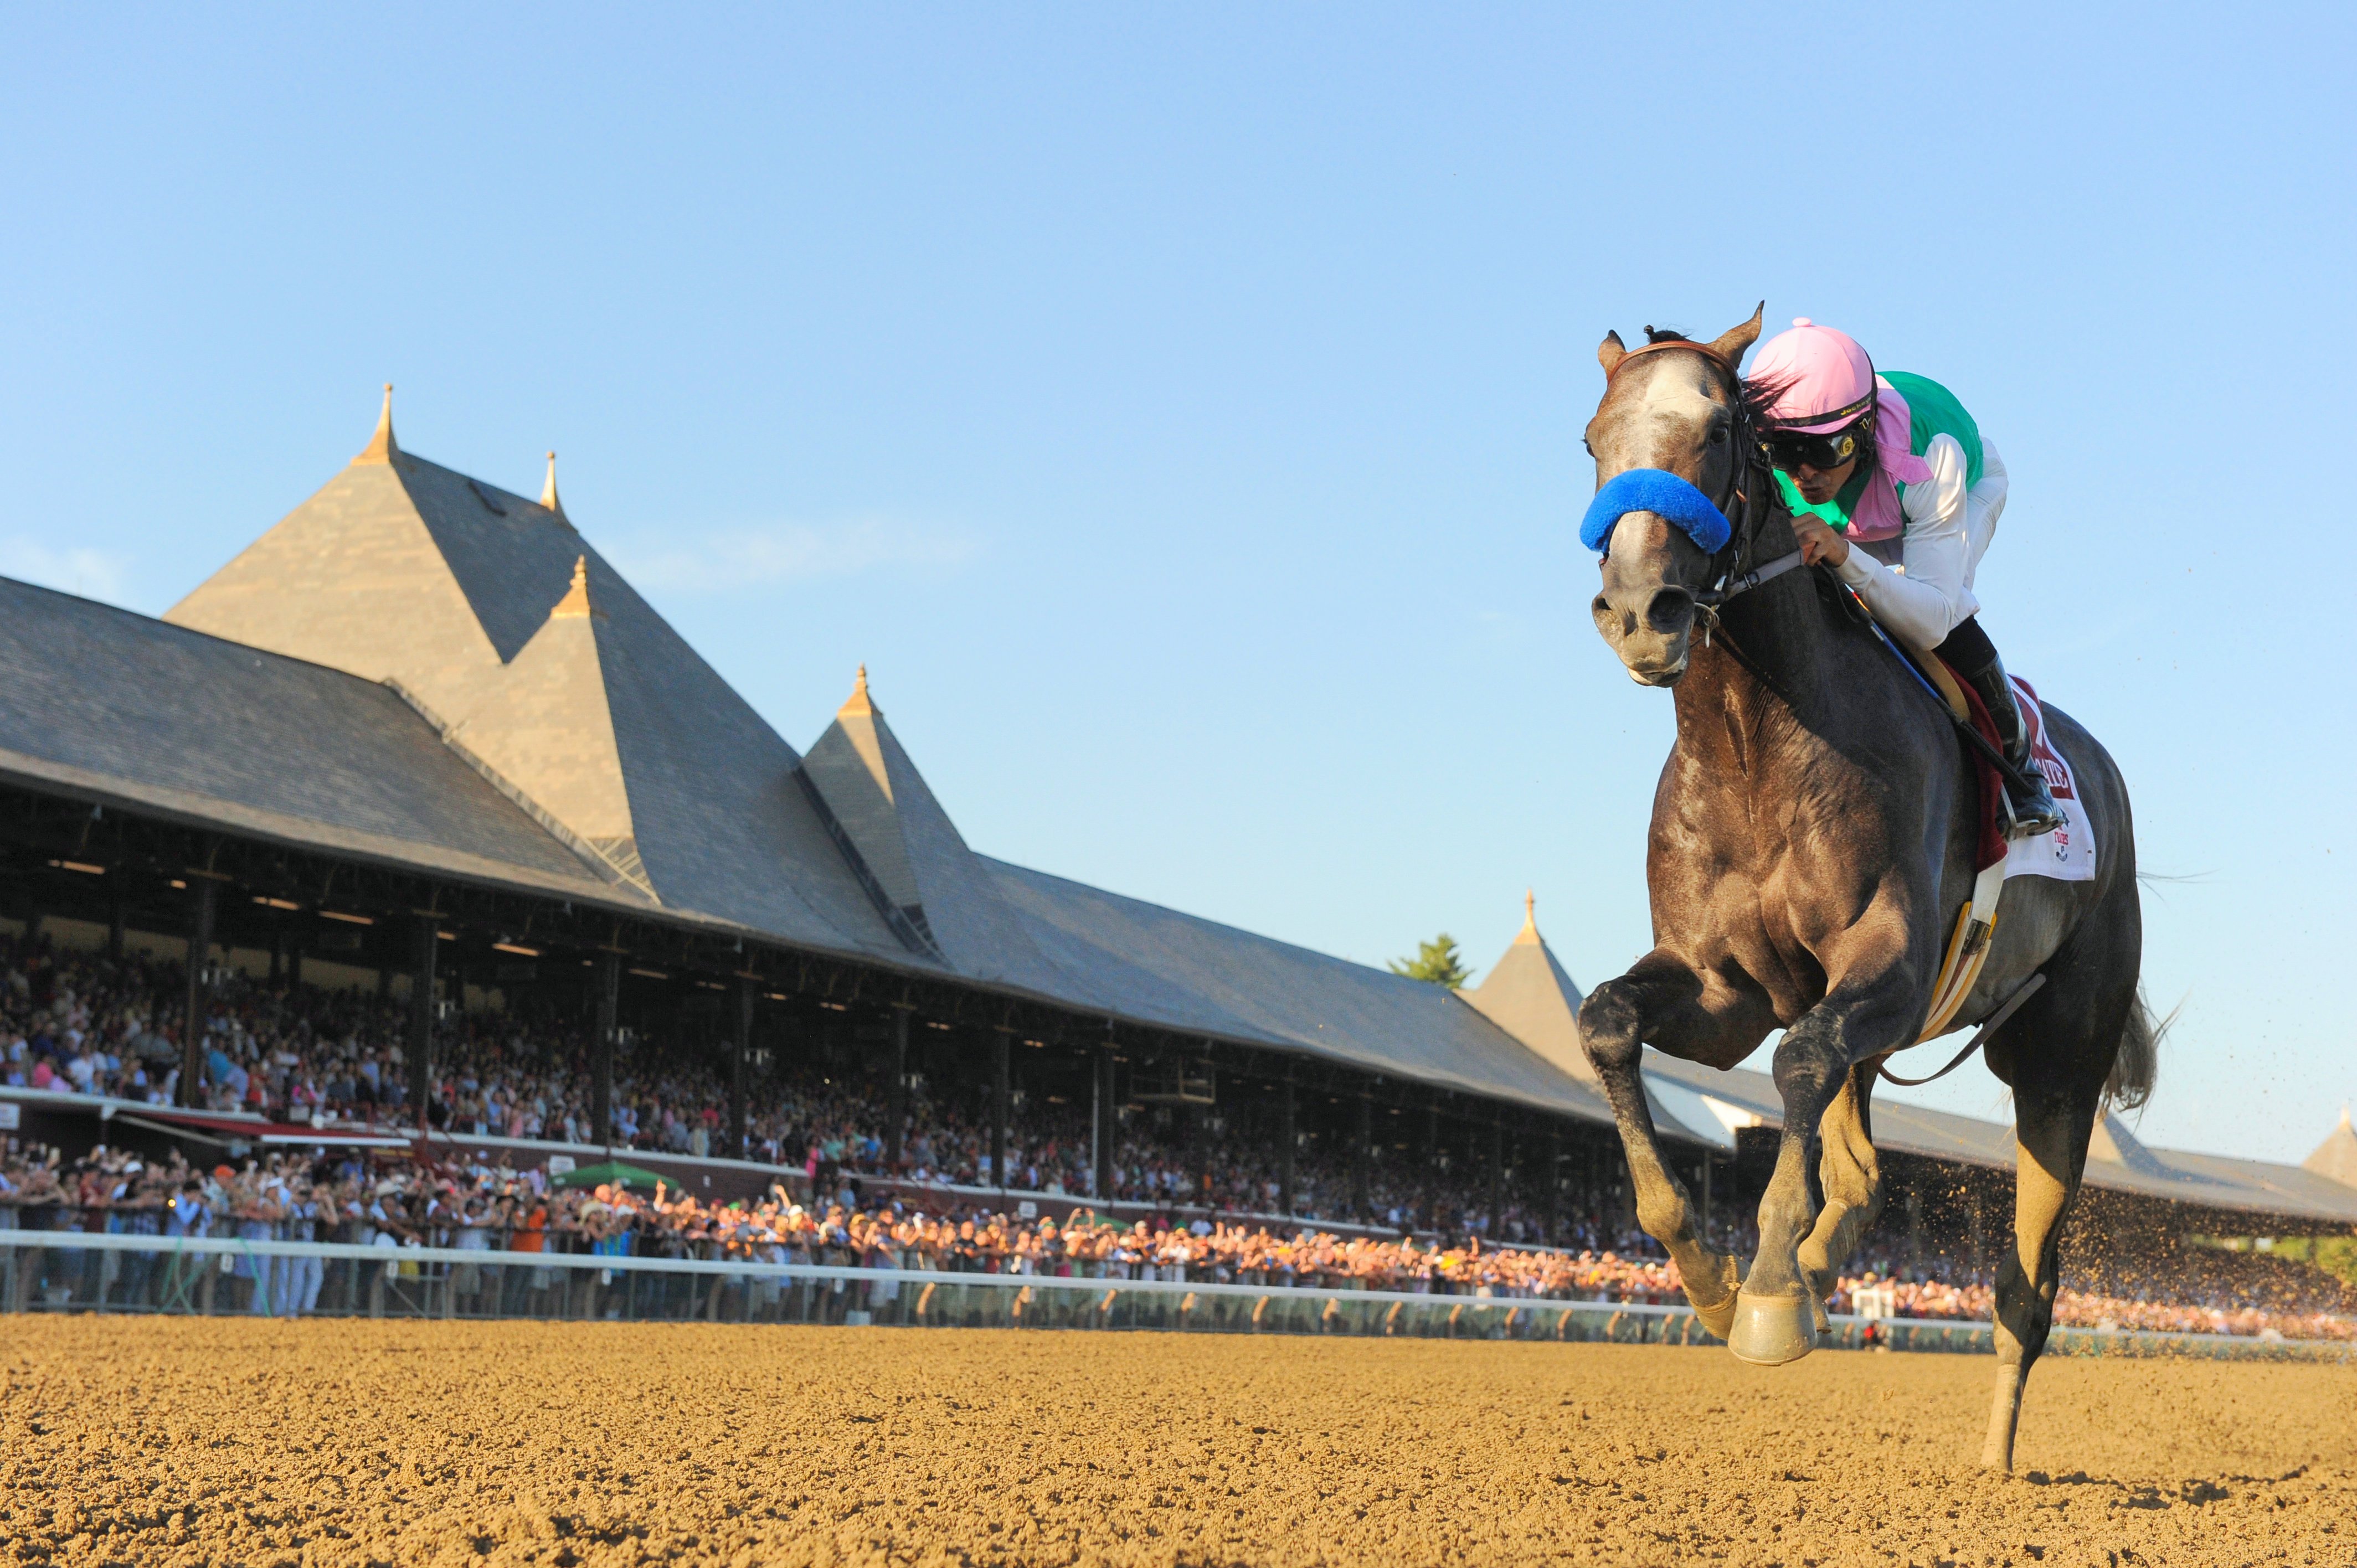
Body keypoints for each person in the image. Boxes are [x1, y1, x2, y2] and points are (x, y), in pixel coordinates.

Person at [1746, 318, 2064, 835]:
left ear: (1864, 430)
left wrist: (1846, 557)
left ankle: (2022, 773)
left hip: (1952, 495)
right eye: (1785, 452)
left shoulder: (1931, 455)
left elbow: (1933, 619)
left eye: (1826, 451)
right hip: (1858, 519)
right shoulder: (1770, 457)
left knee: (1942, 611)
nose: (1803, 474)